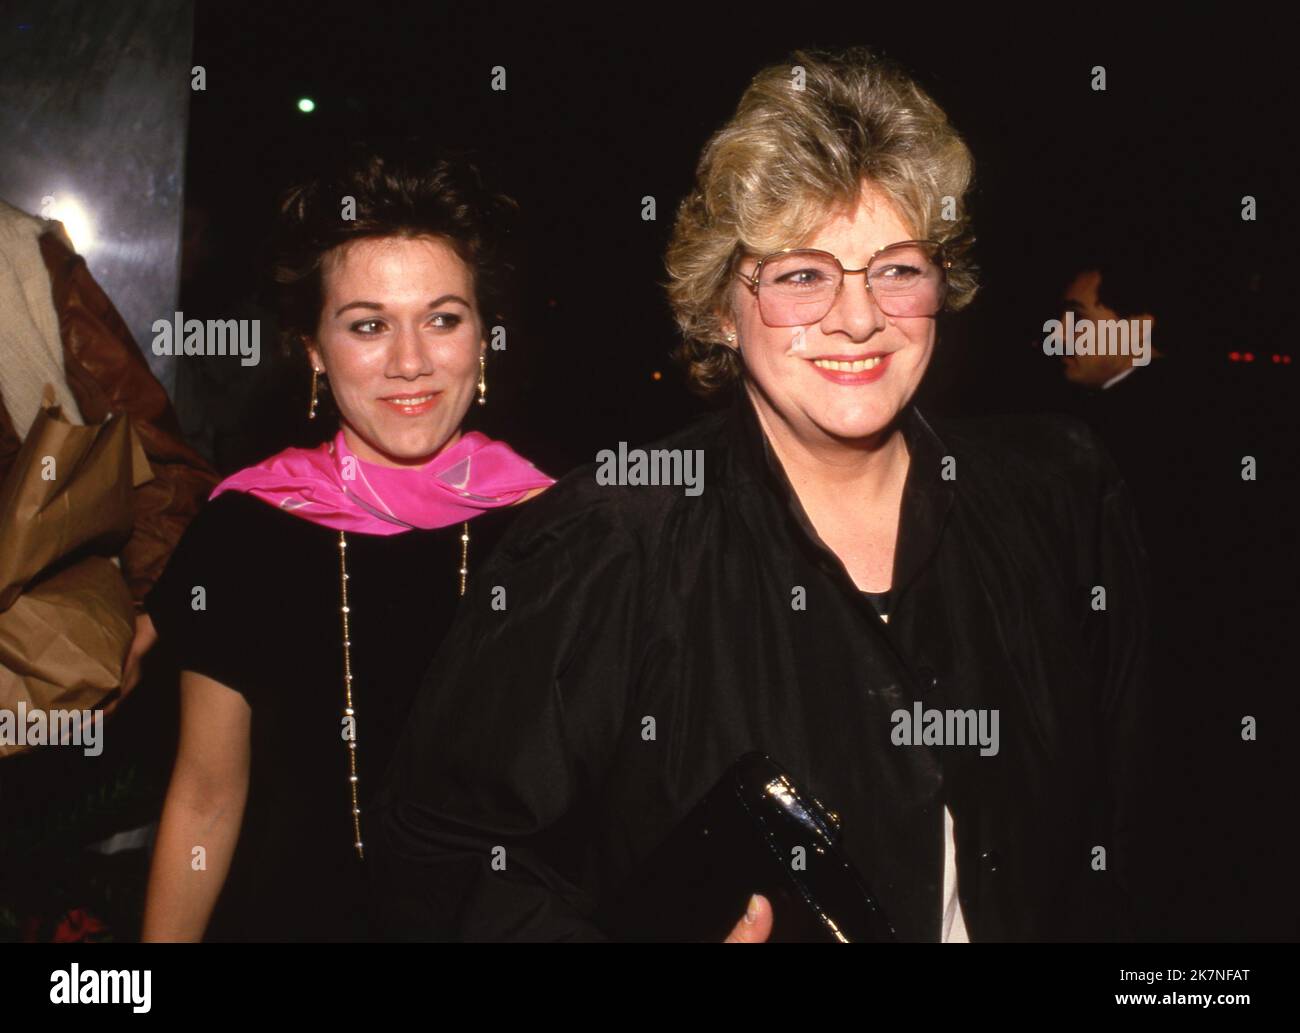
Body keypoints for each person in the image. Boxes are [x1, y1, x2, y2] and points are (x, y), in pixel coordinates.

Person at [370, 49, 1150, 942]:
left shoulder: (1059, 497)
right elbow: (439, 860)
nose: (858, 318)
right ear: (717, 307)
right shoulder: (610, 543)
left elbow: (1131, 829)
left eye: (897, 268)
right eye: (801, 275)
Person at [140, 147, 553, 941]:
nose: (410, 362)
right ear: (315, 352)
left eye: (442, 318)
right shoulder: (246, 532)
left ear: (483, 339)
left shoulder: (557, 529)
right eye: (368, 325)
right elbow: (205, 796)